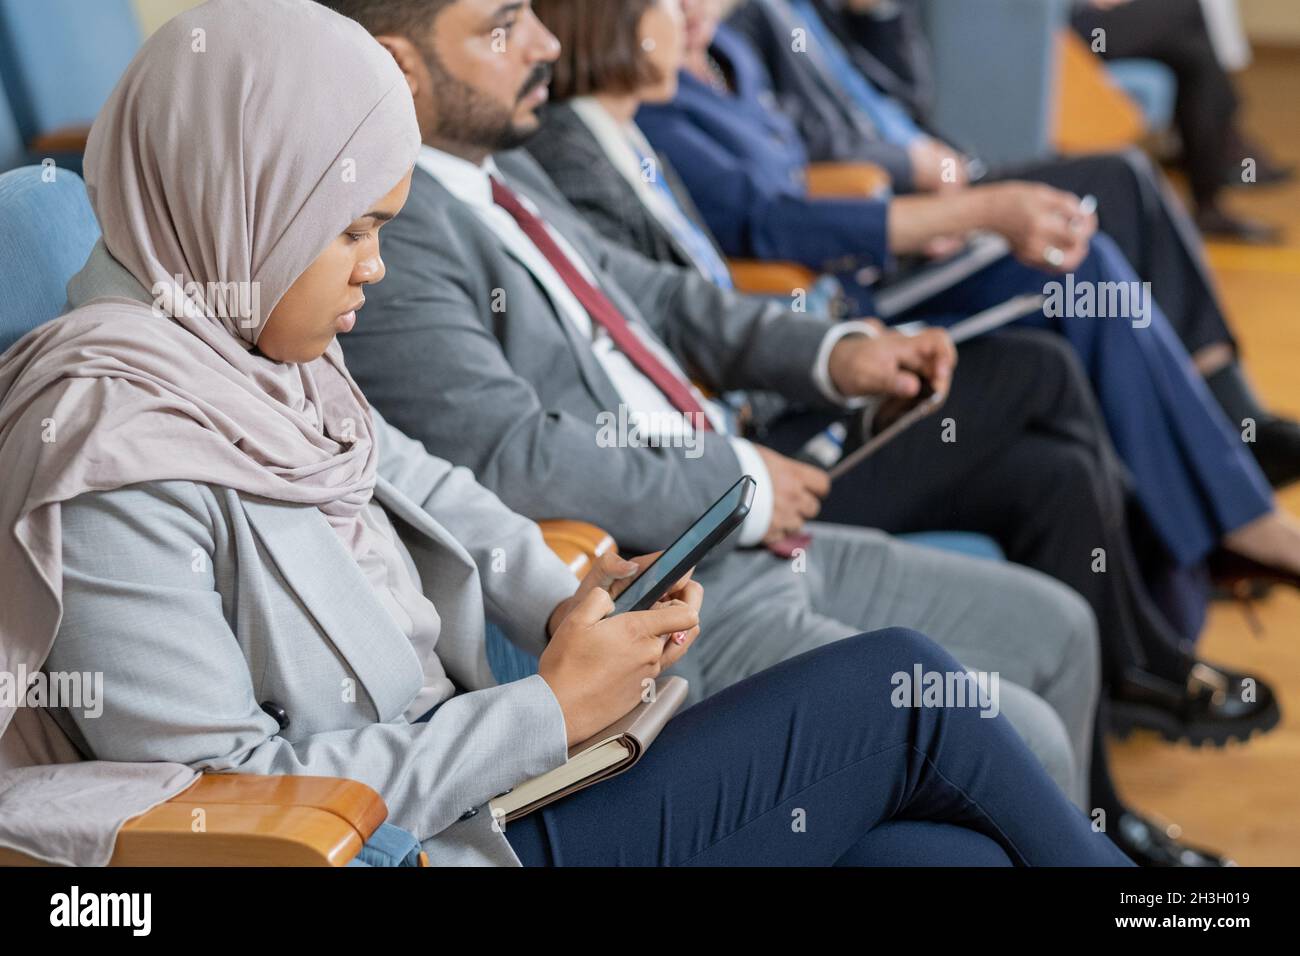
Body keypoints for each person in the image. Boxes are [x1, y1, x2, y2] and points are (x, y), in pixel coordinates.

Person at [0, 0, 1132, 869]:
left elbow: (428, 478)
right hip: (447, 835)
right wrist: (544, 709)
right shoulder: (111, 457)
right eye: (347, 230)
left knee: (951, 855)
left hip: (505, 772)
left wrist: (570, 599)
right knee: (905, 686)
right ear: (236, 201)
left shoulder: (243, 341)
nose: (375, 266)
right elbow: (226, 799)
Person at [322, 0, 1251, 864]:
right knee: (1016, 729)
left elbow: (664, 298)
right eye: (502, 25)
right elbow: (513, 455)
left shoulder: (500, 171)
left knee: (1059, 625)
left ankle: (1103, 831)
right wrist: (743, 479)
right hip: (680, 576)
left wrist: (833, 352)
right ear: (401, 67)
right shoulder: (395, 242)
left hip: (742, 529)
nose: (545, 44)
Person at [784, 0, 1300, 483]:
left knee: (1121, 190)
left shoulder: (827, 12)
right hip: (901, 212)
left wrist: (879, 15)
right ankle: (1227, 435)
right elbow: (797, 154)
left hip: (947, 174)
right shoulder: (764, 23)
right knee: (1108, 202)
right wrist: (914, 175)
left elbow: (910, 100)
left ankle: (1226, 421)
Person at [1071, 0, 1293, 241]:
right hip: (1073, 37)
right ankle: (1229, 144)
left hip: (1082, 20)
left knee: (1193, 54)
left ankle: (1210, 204)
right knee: (1188, 8)